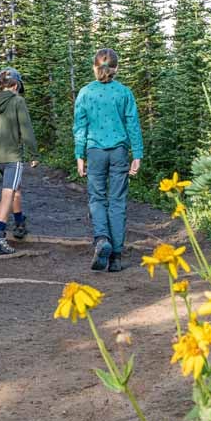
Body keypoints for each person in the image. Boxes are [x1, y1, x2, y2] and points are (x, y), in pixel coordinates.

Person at [73, 48, 143, 272]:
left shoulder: (85, 93)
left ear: (95, 67)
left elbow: (80, 126)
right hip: (119, 152)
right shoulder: (124, 93)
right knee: (118, 201)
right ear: (116, 68)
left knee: (97, 197)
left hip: (95, 152)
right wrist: (137, 154)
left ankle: (102, 238)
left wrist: (79, 155)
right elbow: (133, 124)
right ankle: (116, 257)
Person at [0, 67, 39, 255]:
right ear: (15, 85)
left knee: (15, 188)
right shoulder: (18, 102)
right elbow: (26, 129)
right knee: (8, 194)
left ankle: (19, 223)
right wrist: (34, 154)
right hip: (12, 157)